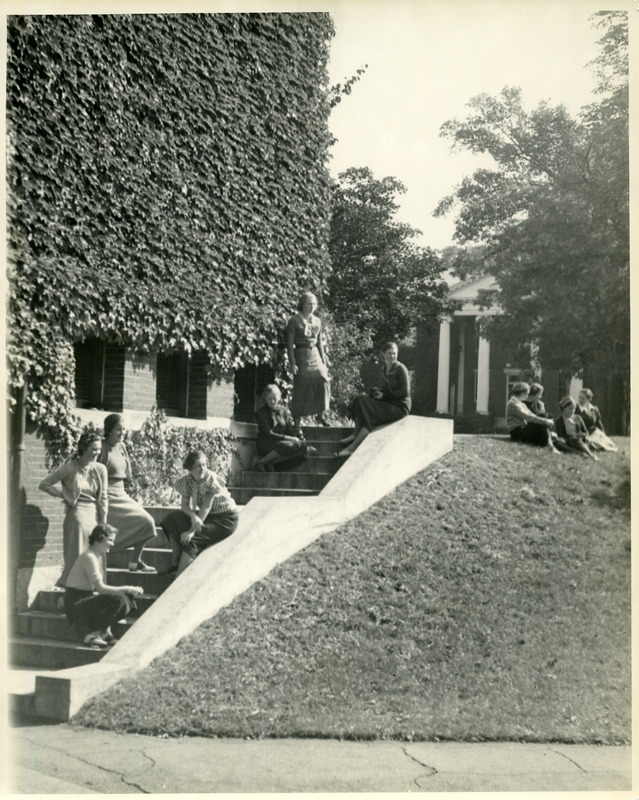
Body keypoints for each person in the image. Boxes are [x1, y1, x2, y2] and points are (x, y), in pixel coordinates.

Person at [40, 430, 109, 586]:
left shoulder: (100, 469)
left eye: (99, 449)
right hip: (76, 516)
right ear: (84, 448)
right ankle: (73, 593)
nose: (96, 453)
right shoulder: (70, 468)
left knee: (96, 554)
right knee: (77, 556)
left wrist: (103, 523)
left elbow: (104, 498)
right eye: (93, 449)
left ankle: (94, 591)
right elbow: (44, 484)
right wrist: (64, 495)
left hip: (94, 517)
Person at [160, 450, 239, 576]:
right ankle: (176, 563)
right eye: (198, 465)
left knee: (193, 538)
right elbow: (184, 506)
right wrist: (193, 516)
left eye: (204, 465)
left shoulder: (211, 479)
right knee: (173, 518)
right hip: (208, 516)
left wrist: (191, 531)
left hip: (225, 519)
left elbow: (206, 507)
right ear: (190, 468)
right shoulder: (187, 481)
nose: (202, 468)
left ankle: (179, 578)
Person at [64, 524, 143, 648]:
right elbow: (101, 589)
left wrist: (127, 591)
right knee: (119, 598)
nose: (112, 544)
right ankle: (92, 635)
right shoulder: (89, 557)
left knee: (127, 598)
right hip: (76, 604)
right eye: (110, 540)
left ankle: (105, 633)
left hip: (85, 599)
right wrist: (128, 588)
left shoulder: (97, 555)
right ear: (99, 538)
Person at [98, 413, 156, 573]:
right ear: (109, 430)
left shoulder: (122, 446)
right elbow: (94, 474)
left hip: (121, 493)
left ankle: (135, 562)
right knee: (109, 534)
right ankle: (104, 556)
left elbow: (128, 473)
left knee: (148, 523)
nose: (122, 432)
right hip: (107, 496)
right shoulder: (101, 448)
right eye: (118, 429)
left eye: (124, 429)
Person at [337, 341, 411, 457]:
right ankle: (355, 434)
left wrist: (384, 396)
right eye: (389, 354)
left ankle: (352, 448)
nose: (392, 356)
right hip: (388, 402)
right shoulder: (383, 369)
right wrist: (377, 392)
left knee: (371, 416)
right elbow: (386, 389)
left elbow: (404, 392)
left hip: (400, 407)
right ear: (383, 354)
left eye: (394, 354)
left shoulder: (401, 369)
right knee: (360, 399)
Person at [286, 291, 331, 432]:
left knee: (323, 379)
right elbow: (289, 343)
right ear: (302, 304)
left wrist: (323, 362)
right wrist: (292, 363)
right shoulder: (294, 320)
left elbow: (320, 343)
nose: (312, 306)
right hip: (301, 354)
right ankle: (297, 424)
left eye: (314, 304)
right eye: (309, 303)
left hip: (315, 354)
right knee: (301, 385)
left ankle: (321, 414)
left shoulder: (317, 321)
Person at [254, 384, 317, 471]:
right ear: (265, 399)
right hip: (266, 443)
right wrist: (289, 438)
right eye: (269, 399)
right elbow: (268, 433)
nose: (272, 401)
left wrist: (299, 439)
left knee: (303, 447)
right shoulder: (261, 413)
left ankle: (271, 462)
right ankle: (261, 462)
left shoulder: (283, 411)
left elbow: (289, 429)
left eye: (274, 398)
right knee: (287, 445)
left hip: (281, 443)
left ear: (279, 398)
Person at [506, 382, 560, 453]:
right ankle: (550, 446)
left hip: (523, 429)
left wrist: (546, 420)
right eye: (527, 393)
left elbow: (532, 415)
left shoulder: (520, 403)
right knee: (542, 418)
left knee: (543, 416)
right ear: (522, 393)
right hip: (517, 432)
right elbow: (528, 417)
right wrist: (545, 421)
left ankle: (550, 441)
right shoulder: (513, 404)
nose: (528, 395)